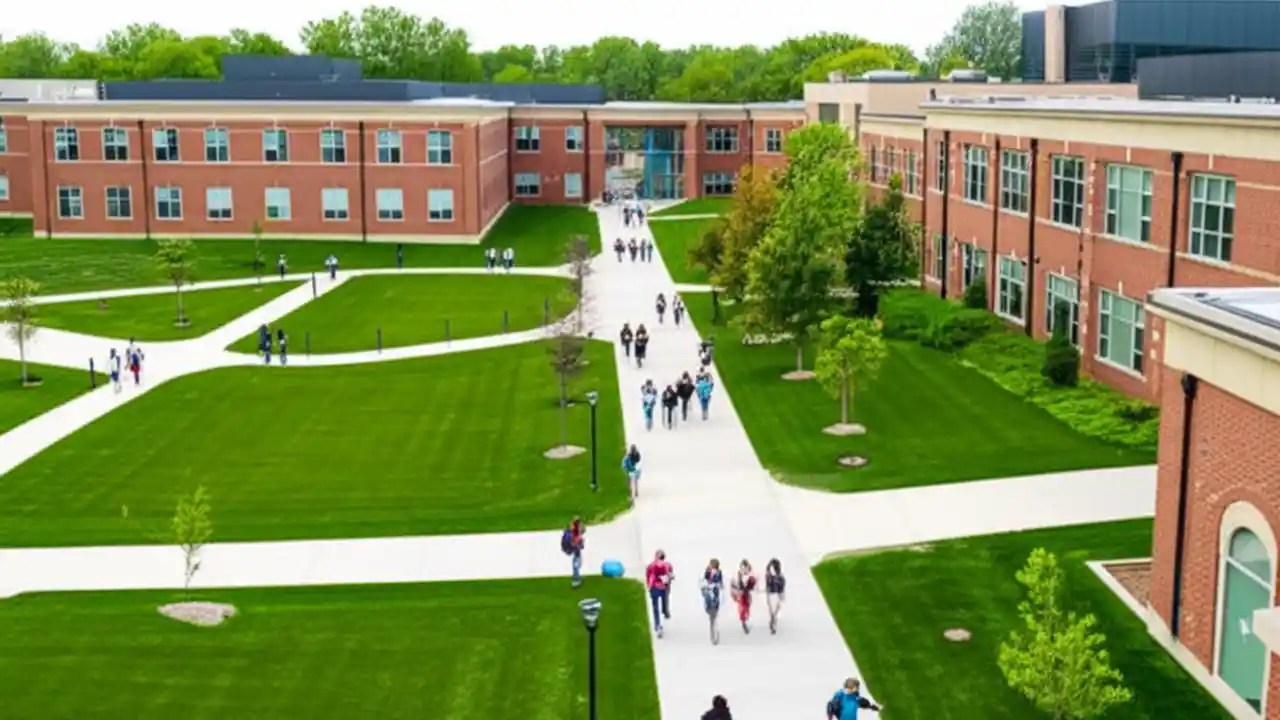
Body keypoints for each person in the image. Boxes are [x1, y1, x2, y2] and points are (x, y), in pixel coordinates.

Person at [645, 549, 674, 638]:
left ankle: (658, 624)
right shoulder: (668, 565)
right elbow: (670, 576)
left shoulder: (650, 566)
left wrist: (649, 586)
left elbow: (648, 577)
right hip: (662, 588)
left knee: (656, 607)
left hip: (655, 587)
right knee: (662, 604)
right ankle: (663, 616)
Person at [701, 558, 724, 645]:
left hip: (715, 594)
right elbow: (704, 580)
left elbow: (720, 582)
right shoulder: (707, 571)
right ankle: (713, 634)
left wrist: (718, 585)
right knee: (711, 616)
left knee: (714, 617)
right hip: (708, 592)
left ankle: (714, 635)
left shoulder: (719, 572)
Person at [730, 559, 757, 634]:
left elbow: (753, 585)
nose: (744, 569)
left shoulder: (750, 576)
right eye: (742, 568)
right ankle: (743, 621)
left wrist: (749, 586)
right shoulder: (737, 575)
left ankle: (745, 619)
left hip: (746, 595)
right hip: (740, 595)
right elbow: (733, 585)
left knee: (746, 607)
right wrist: (734, 594)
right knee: (742, 608)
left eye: (745, 568)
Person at [561, 516, 586, 588]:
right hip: (573, 548)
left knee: (578, 563)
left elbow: (582, 531)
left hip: (574, 548)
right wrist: (578, 543)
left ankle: (577, 577)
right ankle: (576, 580)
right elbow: (572, 543)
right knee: (576, 564)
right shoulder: (570, 534)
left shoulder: (575, 530)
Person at [765, 558, 786, 634]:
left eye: (773, 568)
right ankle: (772, 623)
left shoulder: (781, 577)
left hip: (778, 595)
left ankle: (774, 625)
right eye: (770, 568)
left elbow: (782, 589)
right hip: (771, 595)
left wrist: (781, 599)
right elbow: (767, 587)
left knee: (775, 613)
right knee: (772, 612)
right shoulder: (768, 576)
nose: (771, 570)